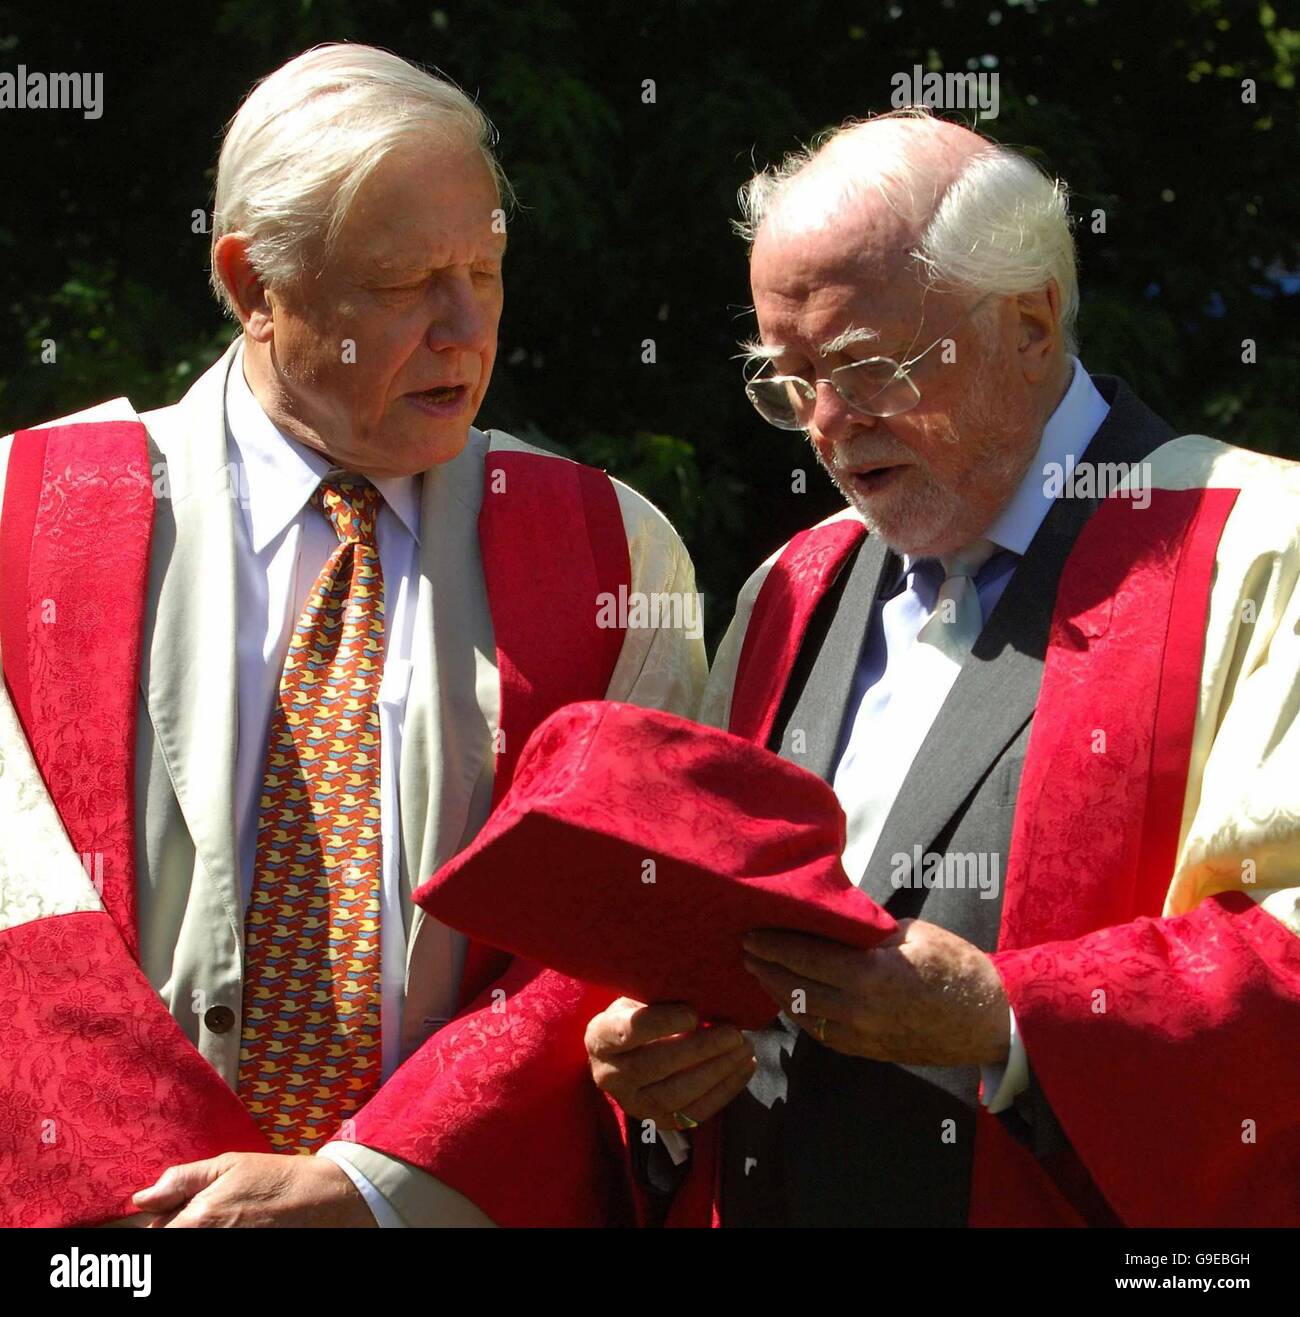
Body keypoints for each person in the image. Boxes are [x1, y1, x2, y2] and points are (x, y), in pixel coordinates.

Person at [0, 42, 705, 1228]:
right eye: (404, 282)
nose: (464, 327)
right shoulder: (25, 521)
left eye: (484, 269)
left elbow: (627, 924)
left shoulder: (613, 555)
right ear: (250, 282)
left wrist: (370, 1186)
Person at [586, 109, 1300, 1227]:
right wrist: (660, 1065)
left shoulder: (1259, 544)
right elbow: (706, 923)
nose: (825, 424)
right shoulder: (794, 584)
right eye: (790, 379)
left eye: (868, 367)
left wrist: (1010, 1018)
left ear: (1029, 320)